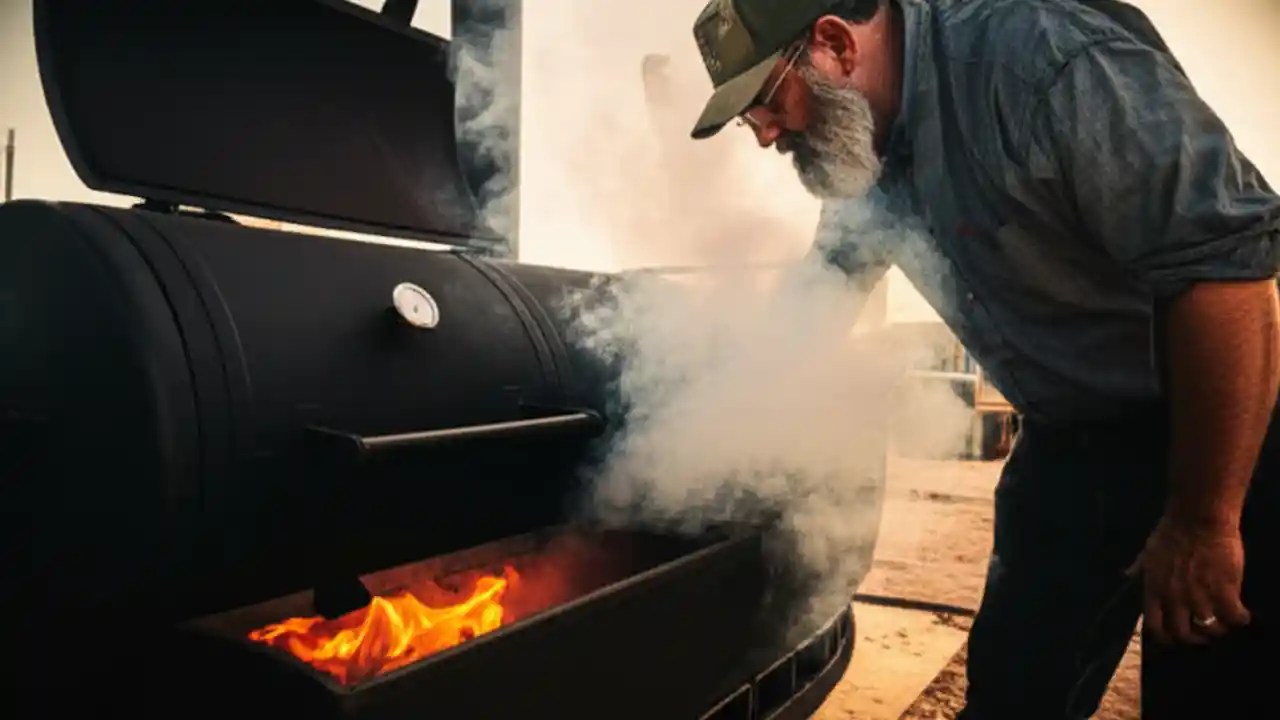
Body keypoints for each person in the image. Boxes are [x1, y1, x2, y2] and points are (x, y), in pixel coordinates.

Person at [686, 0, 1279, 717]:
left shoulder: (1045, 62)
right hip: (1072, 440)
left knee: (1211, 675)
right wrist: (702, 437)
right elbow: (814, 304)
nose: (766, 134)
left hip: (1221, 419)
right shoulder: (862, 151)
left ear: (836, 44)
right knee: (1014, 689)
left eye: (766, 102)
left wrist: (1204, 519)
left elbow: (1227, 270)